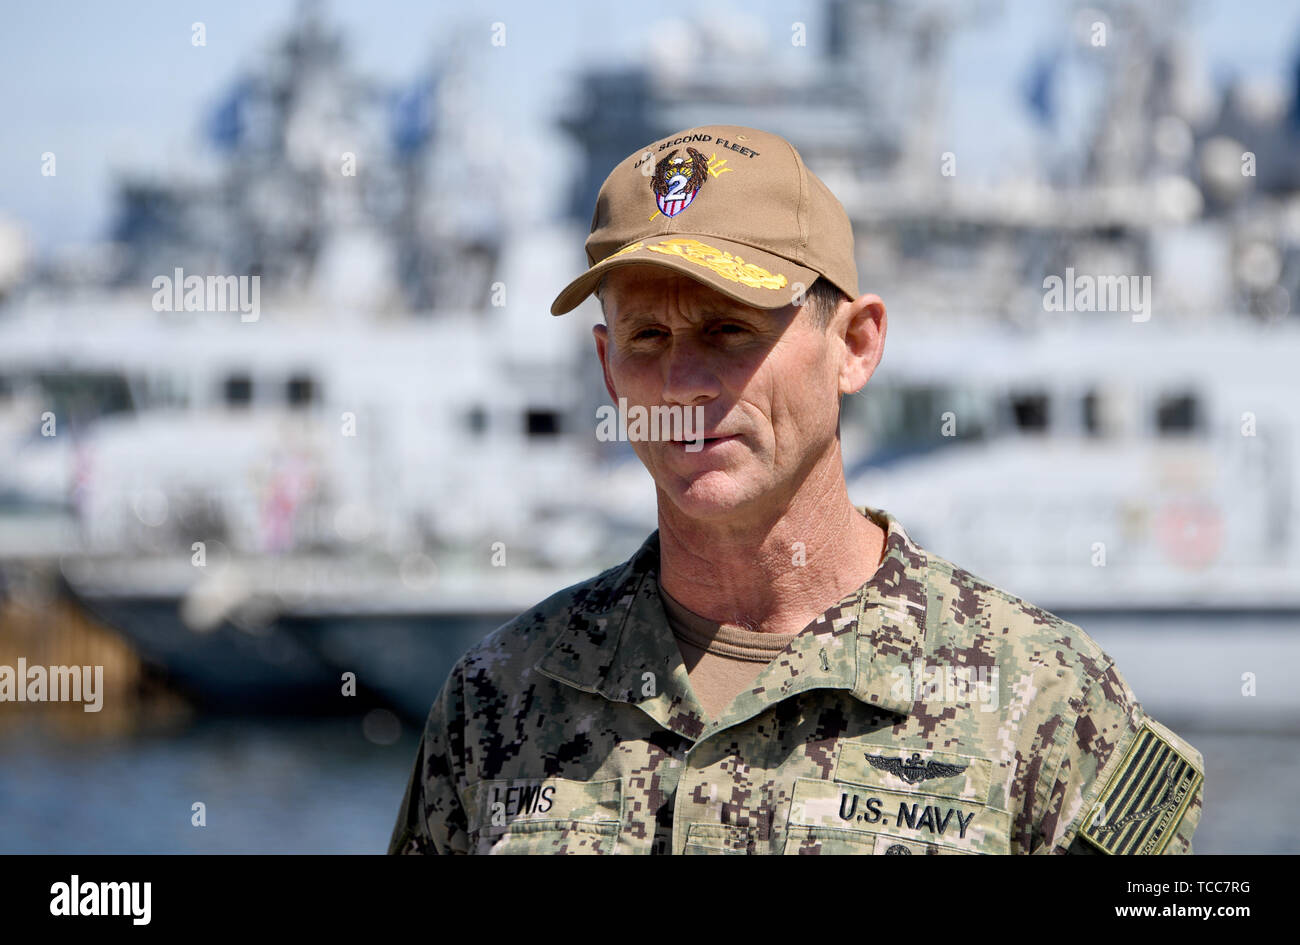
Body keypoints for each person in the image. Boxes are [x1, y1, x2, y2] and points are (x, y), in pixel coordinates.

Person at [388, 124, 1205, 855]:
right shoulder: (497, 701)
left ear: (855, 343)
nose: (682, 382)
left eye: (730, 329)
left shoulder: (1046, 703)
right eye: (647, 337)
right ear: (607, 369)